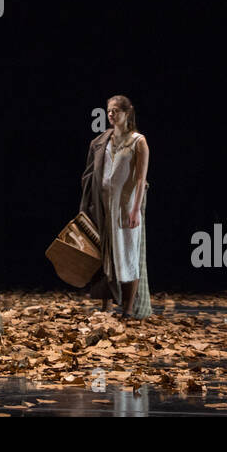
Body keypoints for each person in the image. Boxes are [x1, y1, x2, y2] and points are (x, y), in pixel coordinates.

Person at [79, 95, 151, 318]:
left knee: (128, 255)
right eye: (109, 110)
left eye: (116, 110)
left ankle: (128, 309)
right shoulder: (102, 141)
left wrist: (135, 209)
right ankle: (105, 306)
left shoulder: (138, 141)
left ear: (127, 113)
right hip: (103, 206)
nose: (111, 114)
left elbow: (140, 179)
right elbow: (91, 174)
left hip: (126, 207)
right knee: (104, 256)